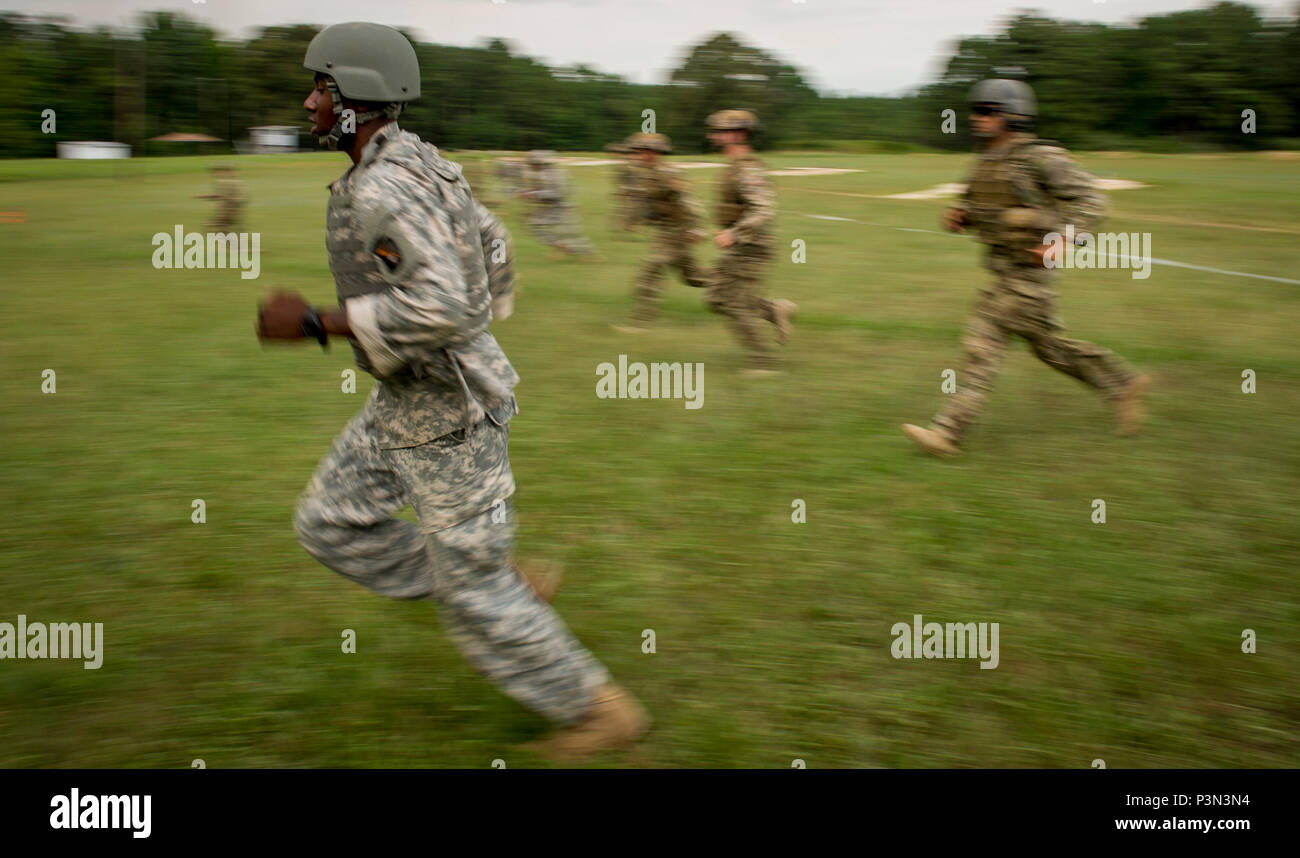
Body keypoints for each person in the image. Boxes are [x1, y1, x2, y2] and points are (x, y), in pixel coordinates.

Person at [254, 21, 648, 761]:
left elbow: (444, 306)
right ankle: (491, 574)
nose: (308, 103)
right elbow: (492, 248)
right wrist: (465, 331)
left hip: (448, 416)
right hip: (407, 398)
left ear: (355, 98)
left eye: (319, 88)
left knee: (472, 593)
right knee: (329, 521)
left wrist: (311, 321)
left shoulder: (384, 186)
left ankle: (600, 711)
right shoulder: (426, 162)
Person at [901, 79, 1150, 457]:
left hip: (1028, 275)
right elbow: (977, 208)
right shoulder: (985, 162)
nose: (977, 118)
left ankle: (948, 432)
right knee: (1051, 349)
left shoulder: (1040, 158)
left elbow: (1092, 201)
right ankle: (1122, 383)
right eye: (976, 110)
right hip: (1005, 270)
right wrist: (959, 217)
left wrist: (1066, 239)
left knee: (981, 343)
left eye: (988, 111)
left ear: (1013, 116)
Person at [702, 109, 796, 373]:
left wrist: (734, 233)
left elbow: (764, 209)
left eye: (721, 132)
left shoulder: (748, 170)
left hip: (751, 248)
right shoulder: (735, 167)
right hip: (742, 246)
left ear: (740, 134)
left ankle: (762, 363)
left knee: (733, 303)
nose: (713, 137)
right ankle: (774, 309)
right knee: (716, 299)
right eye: (715, 131)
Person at [612, 132, 708, 332]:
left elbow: (688, 200)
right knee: (694, 277)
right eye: (641, 151)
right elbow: (642, 201)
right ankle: (740, 291)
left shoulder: (668, 174)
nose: (645, 155)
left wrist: (697, 228)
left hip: (680, 229)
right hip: (667, 229)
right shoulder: (643, 174)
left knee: (651, 268)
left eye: (650, 151)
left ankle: (642, 322)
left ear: (660, 152)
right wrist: (631, 219)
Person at [519, 150, 596, 259]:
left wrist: (533, 194)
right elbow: (543, 189)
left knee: (573, 235)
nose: (530, 166)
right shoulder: (545, 172)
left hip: (561, 208)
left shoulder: (554, 173)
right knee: (536, 226)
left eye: (531, 163)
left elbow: (557, 193)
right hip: (552, 208)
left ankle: (585, 253)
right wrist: (529, 191)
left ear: (538, 163)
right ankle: (562, 246)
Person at [196, 163, 246, 231]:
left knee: (212, 229)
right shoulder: (226, 182)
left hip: (228, 213)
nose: (213, 173)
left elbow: (223, 196)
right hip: (228, 212)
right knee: (220, 231)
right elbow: (219, 196)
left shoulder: (228, 182)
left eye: (215, 171)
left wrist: (202, 196)